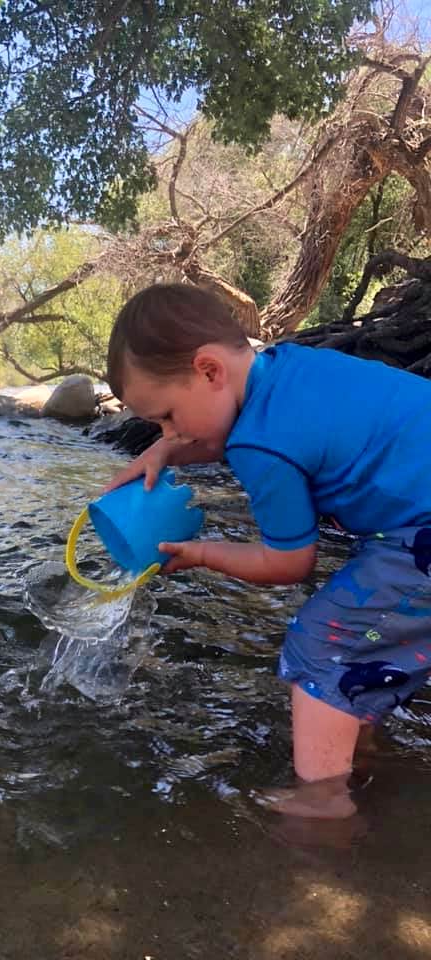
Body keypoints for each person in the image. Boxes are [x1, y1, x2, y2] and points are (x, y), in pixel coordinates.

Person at [104, 282, 431, 818]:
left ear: (209, 371)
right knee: (369, 623)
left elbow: (289, 563)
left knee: (322, 641)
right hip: (413, 516)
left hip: (423, 531)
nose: (165, 432)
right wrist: (168, 448)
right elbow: (234, 426)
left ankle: (323, 800)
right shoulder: (288, 365)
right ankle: (357, 748)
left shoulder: (261, 446)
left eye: (165, 416)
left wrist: (200, 553)